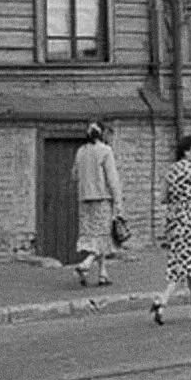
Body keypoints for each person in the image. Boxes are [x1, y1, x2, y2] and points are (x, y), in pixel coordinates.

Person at [150, 136, 191, 324]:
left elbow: (163, 197)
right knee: (185, 263)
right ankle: (162, 300)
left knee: (186, 260)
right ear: (186, 151)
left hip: (175, 219)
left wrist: (178, 197)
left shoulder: (171, 170)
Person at [72, 121, 123, 287]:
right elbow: (112, 179)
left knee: (91, 234)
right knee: (103, 234)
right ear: (102, 134)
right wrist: (118, 202)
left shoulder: (81, 151)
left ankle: (103, 273)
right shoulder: (105, 151)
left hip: (84, 199)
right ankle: (86, 264)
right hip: (101, 199)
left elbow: (74, 175)